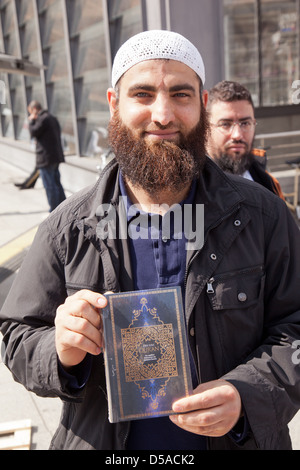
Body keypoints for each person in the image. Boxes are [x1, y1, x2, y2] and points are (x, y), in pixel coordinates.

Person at [1, 30, 300, 451]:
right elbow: (17, 335)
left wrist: (247, 394)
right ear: (113, 104)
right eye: (142, 94)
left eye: (180, 94)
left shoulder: (265, 217)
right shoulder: (66, 228)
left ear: (202, 103)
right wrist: (61, 349)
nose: (163, 115)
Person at [206, 80, 285, 199]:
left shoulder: (268, 183)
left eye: (245, 123)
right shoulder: (189, 190)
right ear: (206, 128)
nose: (237, 135)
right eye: (225, 124)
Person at [27, 101, 66, 212]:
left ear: (34, 109)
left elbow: (33, 132)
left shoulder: (42, 119)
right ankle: (64, 208)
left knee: (50, 186)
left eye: (30, 112)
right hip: (55, 157)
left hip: (46, 158)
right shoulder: (52, 118)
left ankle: (54, 211)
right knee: (57, 183)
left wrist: (31, 121)